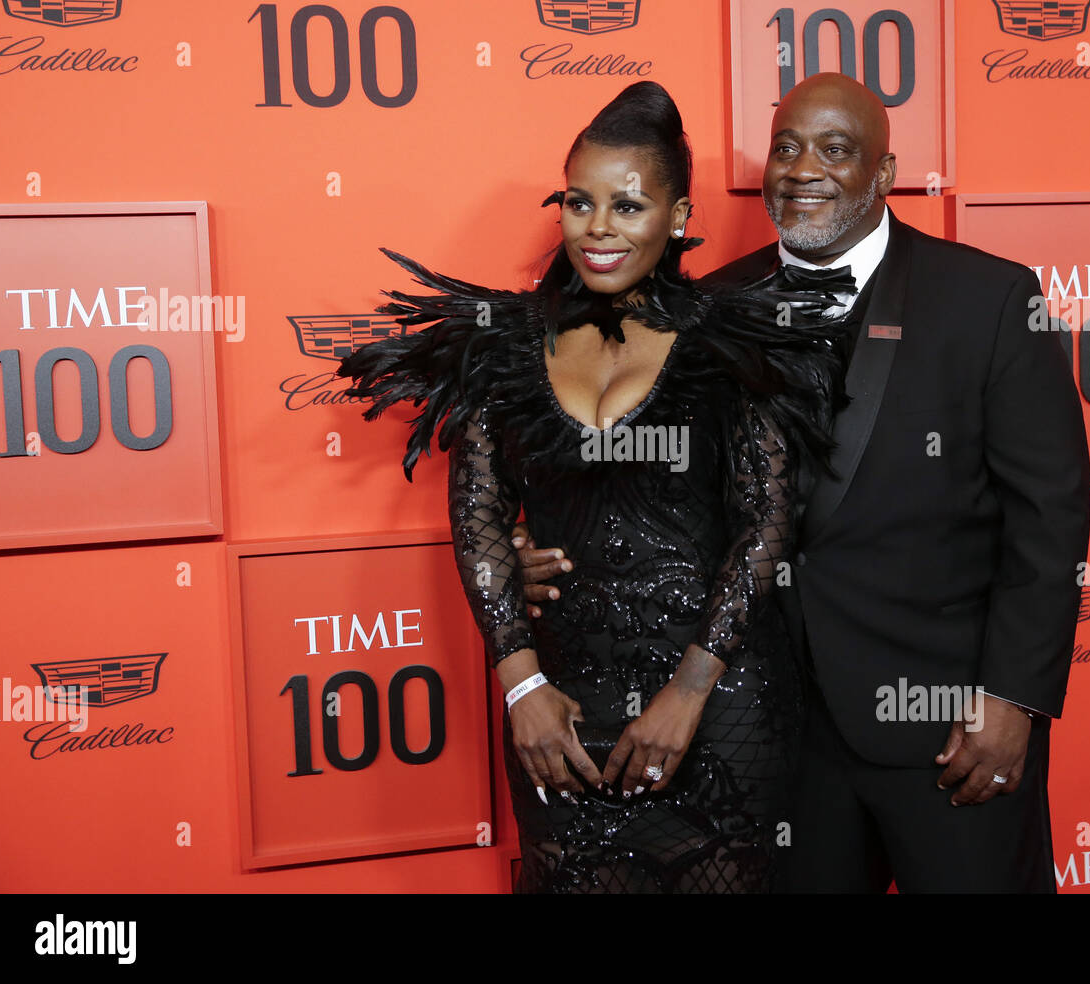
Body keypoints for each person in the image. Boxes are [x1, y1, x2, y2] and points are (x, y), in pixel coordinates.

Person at [515, 73, 1090, 892]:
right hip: (766, 734)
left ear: (885, 175)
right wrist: (527, 546)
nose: (802, 168)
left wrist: (1015, 699)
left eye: (834, 149)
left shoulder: (990, 300)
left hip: (948, 724)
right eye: (785, 148)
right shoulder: (704, 311)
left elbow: (1051, 517)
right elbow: (645, 487)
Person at [336, 81, 847, 893]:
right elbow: (478, 521)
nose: (599, 228)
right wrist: (523, 687)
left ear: (678, 218)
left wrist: (686, 694)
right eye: (579, 202)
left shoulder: (730, 347)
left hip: (719, 703)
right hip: (561, 710)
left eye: (629, 206)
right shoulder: (502, 345)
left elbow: (764, 533)